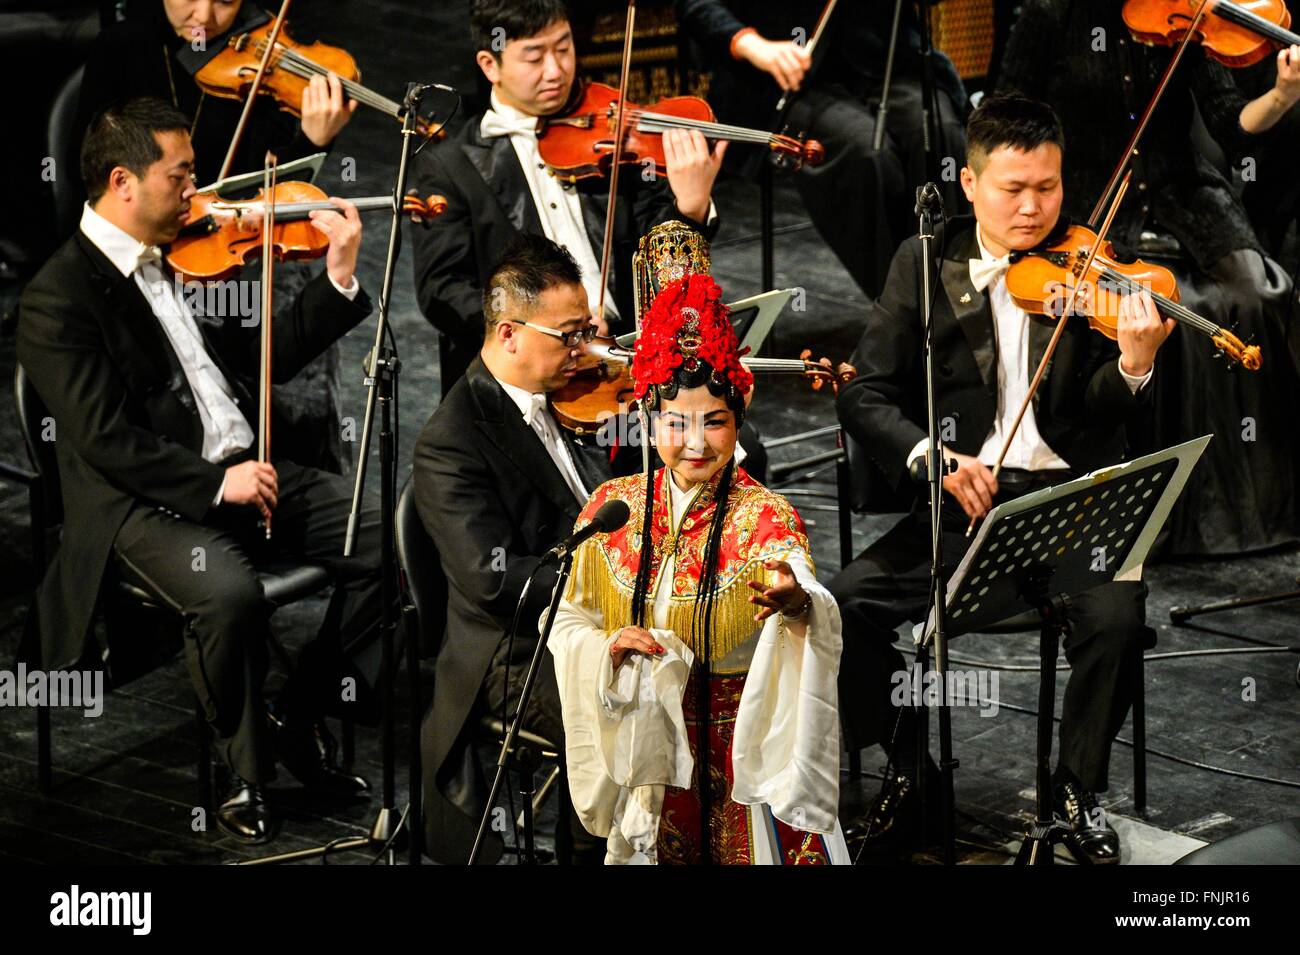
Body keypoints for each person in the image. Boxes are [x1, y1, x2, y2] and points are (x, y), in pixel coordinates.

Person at [17, 97, 383, 844]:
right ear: (123, 181)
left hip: (246, 471)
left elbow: (256, 356)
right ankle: (244, 774)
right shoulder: (57, 299)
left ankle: (298, 712)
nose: (199, 191)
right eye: (180, 176)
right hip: (141, 504)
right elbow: (104, 439)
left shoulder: (182, 252)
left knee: (389, 536)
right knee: (228, 594)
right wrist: (216, 483)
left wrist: (338, 278)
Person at [832, 93, 1175, 863]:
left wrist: (1134, 362)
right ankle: (914, 774)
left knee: (1118, 618)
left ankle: (1074, 791)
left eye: (1048, 188)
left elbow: (1098, 410)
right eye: (1012, 189)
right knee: (843, 605)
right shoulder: (924, 260)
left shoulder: (1091, 265)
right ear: (968, 183)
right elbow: (865, 392)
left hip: (1070, 504)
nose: (1032, 209)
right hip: (965, 504)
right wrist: (934, 456)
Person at [547, 272, 848, 864]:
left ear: (738, 418)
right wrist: (606, 646)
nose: (694, 443)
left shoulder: (765, 515)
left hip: (743, 750)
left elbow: (802, 586)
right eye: (675, 422)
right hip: (652, 750)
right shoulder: (616, 506)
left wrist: (797, 603)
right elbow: (564, 620)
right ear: (647, 417)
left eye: (713, 421)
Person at [998, 0, 1300, 555]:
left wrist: (1281, 96)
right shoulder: (1049, 14)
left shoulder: (1188, 14)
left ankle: (1264, 512)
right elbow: (1004, 114)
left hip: (1182, 192)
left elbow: (1233, 129)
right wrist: (1038, 188)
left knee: (1257, 294)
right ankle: (1160, 512)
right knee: (1150, 311)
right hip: (1087, 205)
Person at [413, 235, 638, 865]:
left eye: (587, 330)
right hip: (511, 648)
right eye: (569, 335)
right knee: (620, 706)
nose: (587, 350)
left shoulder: (571, 400)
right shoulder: (452, 441)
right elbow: (493, 582)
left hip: (587, 613)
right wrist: (611, 578)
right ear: (509, 334)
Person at [74, 0, 360, 473]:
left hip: (231, 244)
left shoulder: (263, 51)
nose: (204, 16)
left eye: (226, 1)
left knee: (289, 336)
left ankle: (300, 481)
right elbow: (90, 172)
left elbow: (270, 188)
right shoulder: (122, 47)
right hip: (138, 244)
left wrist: (314, 141)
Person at [410, 0, 725, 395]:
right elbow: (442, 291)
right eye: (534, 58)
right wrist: (547, 329)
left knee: (739, 445)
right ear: (490, 65)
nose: (556, 71)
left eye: (563, 48)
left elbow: (663, 269)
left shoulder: (609, 136)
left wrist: (689, 207)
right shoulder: (449, 166)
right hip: (526, 376)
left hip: (634, 355)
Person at [675, 0, 969, 299]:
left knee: (938, 131)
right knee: (867, 153)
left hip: (886, 59)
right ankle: (901, 308)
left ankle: (956, 294)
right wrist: (749, 43)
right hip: (781, 79)